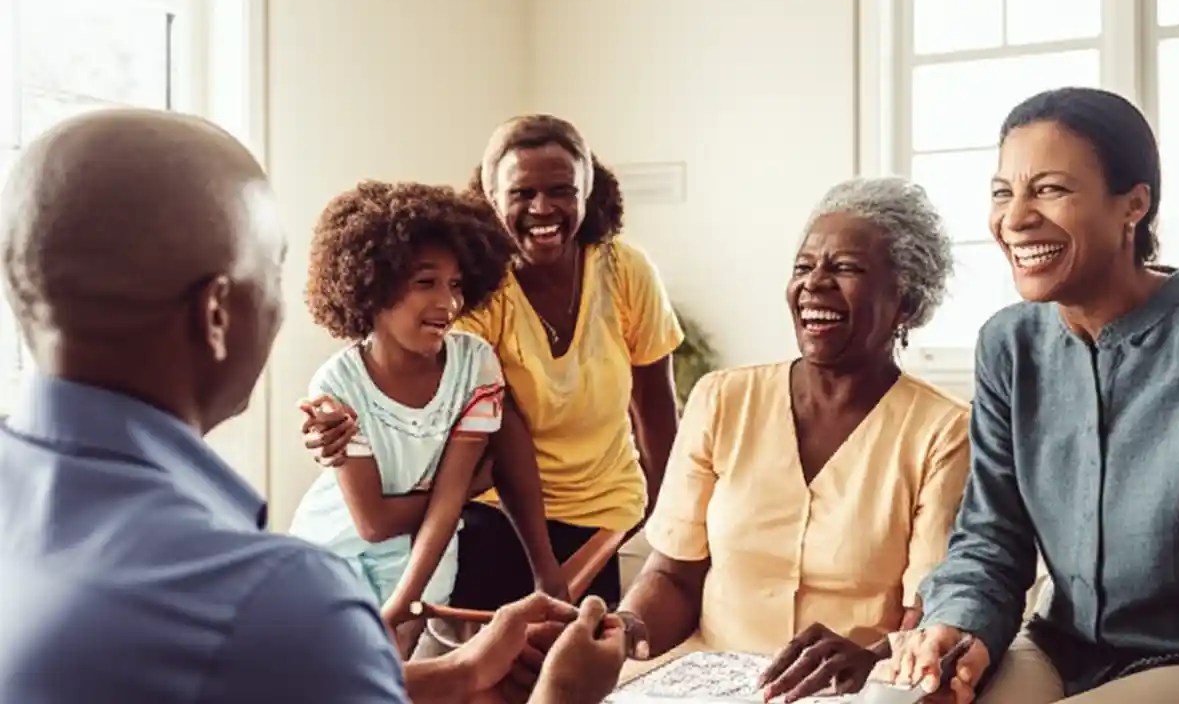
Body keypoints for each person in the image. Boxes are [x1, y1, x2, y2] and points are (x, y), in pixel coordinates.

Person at [0, 108, 625, 704]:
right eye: (272, 272)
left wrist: (460, 673)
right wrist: (563, 693)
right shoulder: (275, 602)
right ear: (216, 314)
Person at [876, 87, 1179, 703]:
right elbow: (990, 538)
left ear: (1133, 206)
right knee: (912, 700)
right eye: (1003, 192)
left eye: (1050, 189)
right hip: (1064, 647)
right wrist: (957, 628)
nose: (1015, 218)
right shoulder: (1008, 346)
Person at [612, 177, 972, 702]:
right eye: (804, 266)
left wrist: (872, 658)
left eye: (845, 268)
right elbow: (673, 576)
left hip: (852, 689)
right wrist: (624, 631)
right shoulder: (722, 399)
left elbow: (928, 611)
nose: (815, 284)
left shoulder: (944, 431)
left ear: (906, 303)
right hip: (703, 683)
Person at [453, 114, 684, 609]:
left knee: (578, 680)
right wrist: (546, 573)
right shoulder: (478, 291)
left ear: (587, 191)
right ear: (492, 198)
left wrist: (673, 518)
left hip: (604, 514)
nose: (544, 208)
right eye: (522, 193)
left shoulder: (626, 270)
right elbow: (497, 429)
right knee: (495, 681)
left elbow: (655, 400)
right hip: (500, 518)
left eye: (561, 190)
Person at [289, 181, 522, 657]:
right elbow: (372, 523)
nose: (448, 303)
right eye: (425, 282)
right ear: (373, 284)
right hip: (332, 556)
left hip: (424, 559)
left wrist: (406, 600)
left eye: (456, 284)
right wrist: (470, 488)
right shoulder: (337, 386)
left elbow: (446, 504)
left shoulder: (474, 367)